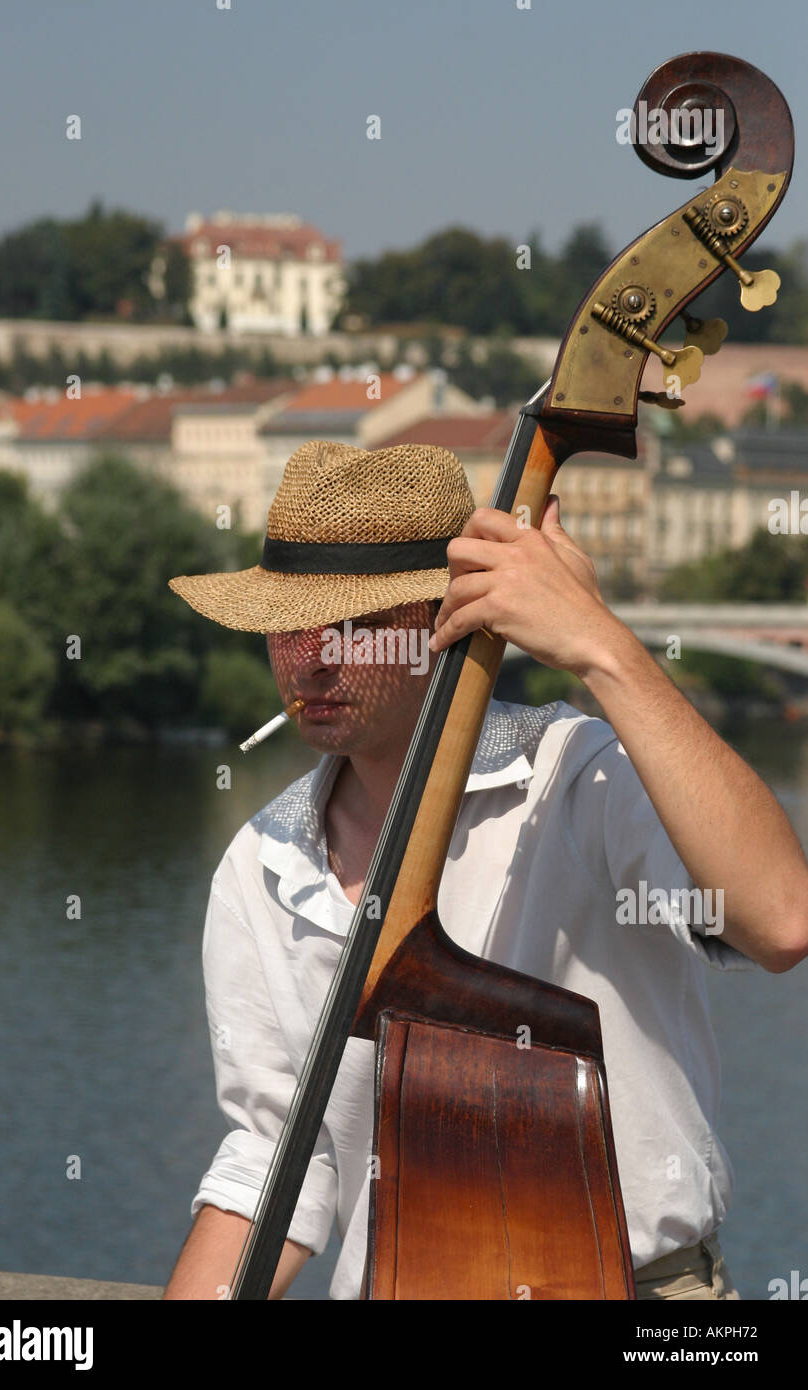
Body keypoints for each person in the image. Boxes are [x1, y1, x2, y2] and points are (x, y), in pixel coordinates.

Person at [162, 438, 808, 1301]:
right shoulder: (260, 864)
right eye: (287, 622)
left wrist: (601, 648)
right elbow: (279, 1157)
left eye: (354, 625)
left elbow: (780, 920)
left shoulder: (583, 775)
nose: (310, 657)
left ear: (450, 616)